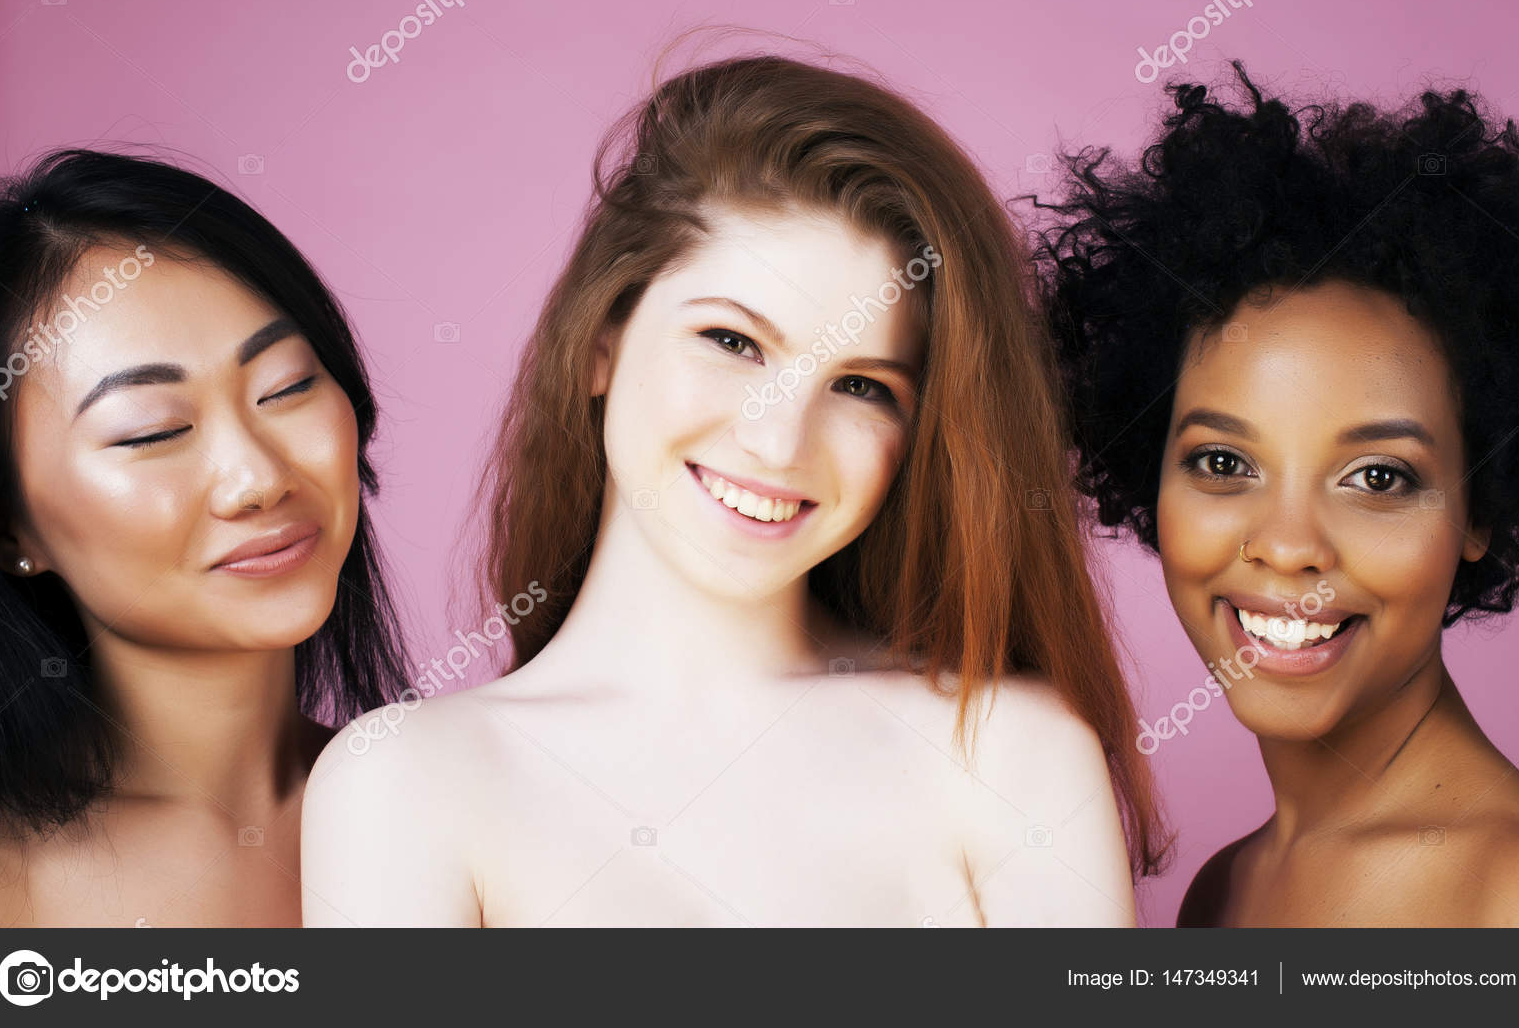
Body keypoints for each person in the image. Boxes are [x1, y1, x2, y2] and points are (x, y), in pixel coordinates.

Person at [302, 53, 1166, 927]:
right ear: (601, 338)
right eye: (733, 341)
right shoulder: (405, 782)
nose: (778, 441)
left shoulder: (1010, 757)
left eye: (863, 387)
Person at [1036, 62, 1519, 926]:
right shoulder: (1222, 897)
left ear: (1482, 508)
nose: (1285, 545)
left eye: (1378, 479)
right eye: (1224, 463)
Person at [0, 149, 411, 926]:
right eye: (152, 432)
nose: (257, 478)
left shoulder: (459, 807)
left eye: (288, 387)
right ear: (10, 526)